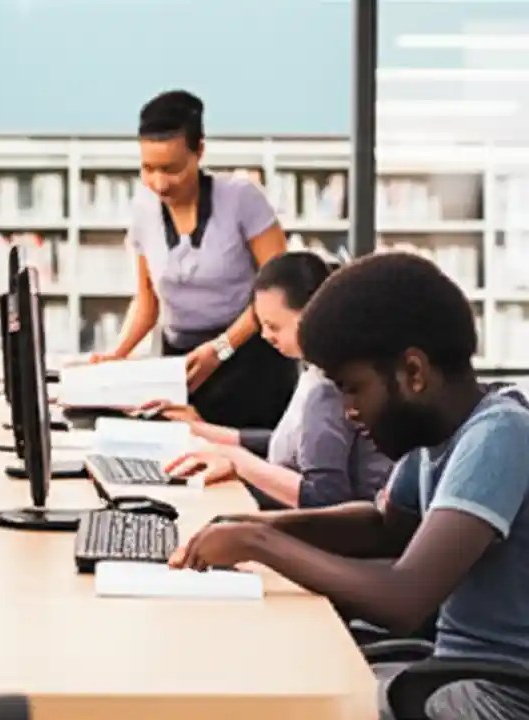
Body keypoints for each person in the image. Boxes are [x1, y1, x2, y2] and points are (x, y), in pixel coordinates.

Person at [169, 252, 529, 719]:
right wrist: (254, 525)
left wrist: (258, 544)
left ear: (414, 373)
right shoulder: (439, 433)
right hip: (453, 676)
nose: (348, 411)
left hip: (499, 697)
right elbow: (384, 526)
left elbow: (404, 597)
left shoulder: (500, 435)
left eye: (353, 388)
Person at [93, 89, 296, 429]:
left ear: (199, 150)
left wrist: (221, 349)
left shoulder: (242, 198)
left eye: (171, 169)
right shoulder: (143, 210)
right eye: (148, 168)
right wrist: (117, 355)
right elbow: (147, 302)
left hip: (248, 360)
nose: (159, 183)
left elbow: (279, 289)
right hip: (181, 366)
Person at [157, 252, 393, 510]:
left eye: (274, 326)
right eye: (262, 325)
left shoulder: (329, 387)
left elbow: (324, 499)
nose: (265, 336)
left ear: (310, 317)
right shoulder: (316, 369)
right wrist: (203, 431)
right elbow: (292, 444)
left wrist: (237, 460)